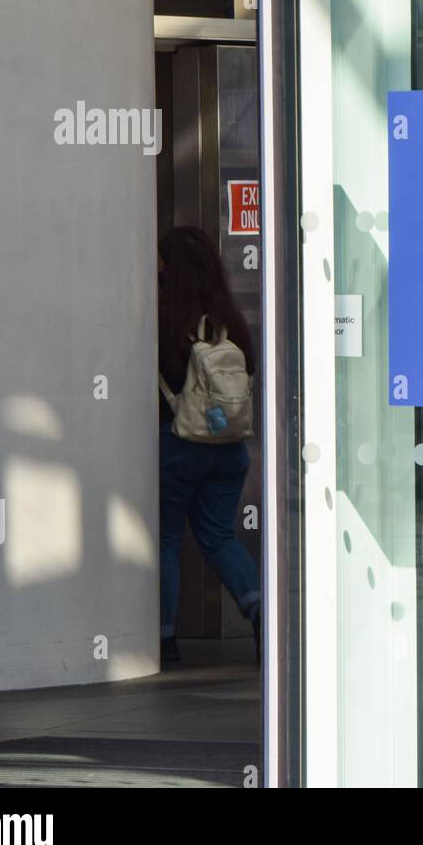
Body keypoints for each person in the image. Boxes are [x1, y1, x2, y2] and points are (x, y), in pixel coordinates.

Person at [157, 225, 261, 667]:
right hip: (231, 447)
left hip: (182, 444)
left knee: (164, 540)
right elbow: (251, 366)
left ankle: (164, 637)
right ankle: (261, 612)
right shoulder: (230, 320)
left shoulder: (165, 317)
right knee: (219, 537)